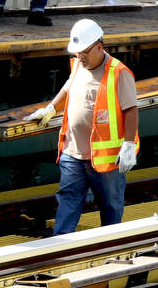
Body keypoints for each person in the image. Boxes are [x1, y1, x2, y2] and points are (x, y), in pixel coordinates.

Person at [27, 19, 139, 235]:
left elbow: (131, 110)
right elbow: (68, 88)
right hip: (73, 152)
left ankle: (109, 245)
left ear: (99, 46)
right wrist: (51, 108)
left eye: (85, 52)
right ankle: (61, 248)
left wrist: (128, 145)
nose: (81, 57)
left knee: (110, 206)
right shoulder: (78, 65)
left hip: (106, 159)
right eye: (77, 53)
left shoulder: (119, 73)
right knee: (68, 201)